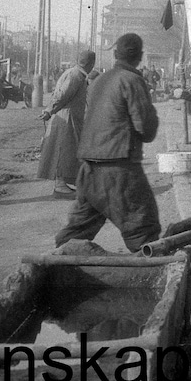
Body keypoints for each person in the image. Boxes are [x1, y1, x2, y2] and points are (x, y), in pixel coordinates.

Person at [54, 33, 161, 252]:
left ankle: (57, 267)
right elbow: (146, 130)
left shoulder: (98, 80)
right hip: (118, 169)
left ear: (114, 54)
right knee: (144, 233)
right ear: (139, 56)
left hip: (88, 170)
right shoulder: (133, 81)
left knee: (75, 233)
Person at [38, 50, 95, 199]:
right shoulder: (76, 75)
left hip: (70, 117)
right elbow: (62, 95)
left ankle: (68, 183)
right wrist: (49, 111)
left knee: (70, 151)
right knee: (64, 151)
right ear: (91, 64)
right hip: (67, 118)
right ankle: (60, 186)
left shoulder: (75, 73)